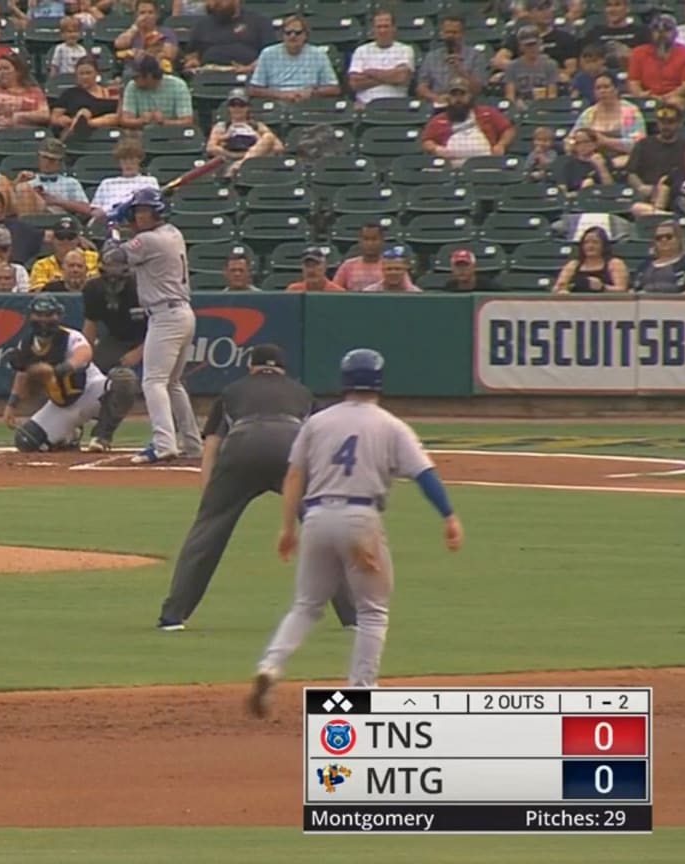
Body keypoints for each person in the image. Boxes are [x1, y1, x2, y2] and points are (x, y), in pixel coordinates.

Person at [247, 348, 463, 715]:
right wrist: (449, 515)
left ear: (344, 381)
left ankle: (270, 665)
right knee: (372, 611)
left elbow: (294, 475)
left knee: (306, 606)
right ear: (379, 383)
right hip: (360, 519)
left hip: (316, 517)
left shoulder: (317, 422)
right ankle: (361, 691)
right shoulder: (390, 425)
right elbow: (425, 475)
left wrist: (286, 527)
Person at [158, 344, 357, 632]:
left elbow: (212, 444)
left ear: (251, 366)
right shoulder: (302, 392)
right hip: (289, 449)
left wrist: (209, 498)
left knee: (207, 534)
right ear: (282, 369)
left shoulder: (232, 391)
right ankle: (353, 617)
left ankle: (173, 616)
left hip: (242, 448)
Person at [101, 187, 202, 464]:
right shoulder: (172, 232)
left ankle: (163, 444)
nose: (140, 216)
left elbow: (111, 257)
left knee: (154, 381)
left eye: (145, 211)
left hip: (166, 316)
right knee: (172, 383)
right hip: (180, 313)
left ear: (157, 213)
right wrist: (124, 220)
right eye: (138, 212)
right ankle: (192, 443)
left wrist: (113, 227)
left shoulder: (149, 240)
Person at [1, 294, 114, 452]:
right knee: (27, 440)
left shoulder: (70, 336)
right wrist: (11, 406)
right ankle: (70, 435)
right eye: (39, 315)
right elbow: (22, 374)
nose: (43, 320)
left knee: (123, 382)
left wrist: (60, 370)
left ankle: (102, 436)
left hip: (90, 392)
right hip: (62, 404)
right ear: (31, 316)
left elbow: (84, 353)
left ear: (58, 316)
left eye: (48, 315)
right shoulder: (26, 344)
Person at [78, 257, 145, 451]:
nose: (114, 283)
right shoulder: (93, 289)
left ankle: (176, 432)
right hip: (117, 337)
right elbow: (90, 325)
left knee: (165, 383)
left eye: (118, 277)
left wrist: (139, 352)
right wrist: (85, 357)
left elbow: (161, 324)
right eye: (108, 277)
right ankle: (83, 430)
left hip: (152, 335)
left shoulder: (143, 287)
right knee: (87, 375)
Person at [418, 78, 515, 167]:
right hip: (450, 165)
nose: (458, 99)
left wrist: (501, 145)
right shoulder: (439, 120)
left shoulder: (487, 113)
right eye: (454, 95)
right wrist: (436, 148)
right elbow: (426, 141)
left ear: (469, 96)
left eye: (462, 94)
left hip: (486, 162)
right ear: (448, 98)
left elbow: (508, 129)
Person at [247, 16, 340, 103]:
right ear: (282, 35)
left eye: (297, 33)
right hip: (276, 102)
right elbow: (253, 89)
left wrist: (312, 92)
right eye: (288, 33)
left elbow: (334, 88)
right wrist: (280, 94)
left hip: (309, 102)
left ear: (305, 35)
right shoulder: (268, 53)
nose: (292, 36)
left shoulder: (318, 54)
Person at [571, 75, 644, 169]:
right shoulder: (589, 114)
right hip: (591, 160)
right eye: (598, 88)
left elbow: (638, 144)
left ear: (616, 89)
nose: (602, 91)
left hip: (623, 158)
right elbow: (572, 138)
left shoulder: (629, 112)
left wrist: (606, 141)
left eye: (606, 87)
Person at [415, 14, 488, 108]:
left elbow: (478, 89)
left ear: (462, 34)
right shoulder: (431, 57)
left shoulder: (476, 56)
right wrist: (436, 98)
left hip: (466, 105)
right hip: (438, 104)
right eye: (447, 32)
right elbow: (421, 88)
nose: (450, 36)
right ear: (441, 34)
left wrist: (460, 70)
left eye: (455, 32)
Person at [3, 138, 89, 216]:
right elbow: (4, 209)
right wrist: (16, 184)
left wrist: (57, 201)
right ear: (38, 157)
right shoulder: (28, 181)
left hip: (59, 221)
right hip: (31, 219)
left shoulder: (70, 183)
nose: (47, 162)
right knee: (5, 182)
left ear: (60, 162)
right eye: (44, 158)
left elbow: (87, 209)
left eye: (52, 159)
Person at [183, 0, 274, 72]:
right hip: (209, 74)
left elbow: (271, 54)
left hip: (248, 73)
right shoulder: (202, 24)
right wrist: (193, 61)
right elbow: (192, 53)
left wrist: (250, 68)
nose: (216, 3)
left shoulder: (259, 21)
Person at [206, 89, 283, 175]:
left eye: (241, 105)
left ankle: (239, 164)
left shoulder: (257, 126)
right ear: (228, 107)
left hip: (253, 160)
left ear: (248, 107)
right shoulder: (221, 126)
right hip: (229, 158)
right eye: (233, 105)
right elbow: (210, 148)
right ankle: (240, 164)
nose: (237, 108)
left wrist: (256, 137)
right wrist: (226, 137)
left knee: (268, 136)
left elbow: (278, 147)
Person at [627, 15, 685, 107]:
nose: (661, 34)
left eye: (667, 29)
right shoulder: (638, 52)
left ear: (676, 33)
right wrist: (641, 94)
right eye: (656, 29)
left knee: (674, 103)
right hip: (647, 96)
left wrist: (665, 97)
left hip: (676, 97)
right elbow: (633, 81)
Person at [349, 12, 415, 105]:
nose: (382, 31)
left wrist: (371, 72)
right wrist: (390, 76)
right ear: (373, 29)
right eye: (379, 27)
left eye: (386, 26)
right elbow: (355, 83)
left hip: (396, 104)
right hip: (366, 104)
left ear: (394, 28)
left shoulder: (405, 49)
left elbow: (401, 77)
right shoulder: (361, 50)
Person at [624, 103, 685, 199]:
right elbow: (631, 173)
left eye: (670, 122)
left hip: (677, 194)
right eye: (662, 122)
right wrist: (641, 187)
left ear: (680, 123)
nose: (665, 126)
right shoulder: (644, 144)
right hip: (647, 193)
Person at [641, 138, 685, 224]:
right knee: (638, 208)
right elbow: (660, 204)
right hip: (673, 217)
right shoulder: (675, 175)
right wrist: (659, 210)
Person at [89, 136, 159, 219]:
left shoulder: (149, 181)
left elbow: (155, 207)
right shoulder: (107, 183)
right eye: (124, 159)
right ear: (119, 161)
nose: (128, 163)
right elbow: (95, 210)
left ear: (139, 160)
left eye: (132, 159)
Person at [0, 54, 51, 135]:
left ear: (18, 72)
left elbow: (45, 115)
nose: (1, 73)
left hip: (29, 133)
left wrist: (19, 116)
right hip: (0, 133)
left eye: (6, 68)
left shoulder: (35, 91)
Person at [633, 219, 685, 293]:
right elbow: (634, 290)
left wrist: (675, 300)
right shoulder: (645, 265)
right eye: (658, 238)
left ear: (678, 239)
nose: (664, 240)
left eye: (668, 237)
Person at [50, 56, 120, 136]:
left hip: (109, 132)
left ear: (96, 73)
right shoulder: (70, 93)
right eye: (81, 74)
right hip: (78, 133)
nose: (85, 77)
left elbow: (120, 113)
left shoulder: (109, 92)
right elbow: (54, 118)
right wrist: (63, 120)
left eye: (88, 73)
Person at [119, 55, 195, 129]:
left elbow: (187, 121)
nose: (133, 79)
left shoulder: (178, 86)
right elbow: (125, 120)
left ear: (149, 75)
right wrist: (142, 120)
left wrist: (163, 122)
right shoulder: (132, 86)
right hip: (141, 132)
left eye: (136, 77)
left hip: (172, 132)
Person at [28, 216, 99, 288]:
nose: (65, 241)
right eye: (61, 237)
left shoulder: (95, 258)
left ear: (78, 240)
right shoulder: (41, 265)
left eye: (70, 237)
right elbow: (37, 291)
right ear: (52, 239)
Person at [553, 226, 629, 293]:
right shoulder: (573, 265)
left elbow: (622, 290)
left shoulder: (615, 263)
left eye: (595, 242)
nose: (590, 246)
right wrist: (563, 290)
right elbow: (558, 287)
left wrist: (602, 287)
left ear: (603, 245)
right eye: (586, 242)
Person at [114, 0, 179, 78]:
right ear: (136, 16)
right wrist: (135, 27)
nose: (146, 16)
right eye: (142, 13)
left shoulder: (166, 32)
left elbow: (170, 54)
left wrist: (143, 53)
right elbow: (118, 44)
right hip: (134, 71)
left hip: (159, 70)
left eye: (150, 12)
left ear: (157, 15)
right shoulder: (133, 33)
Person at [505, 25, 561, 110]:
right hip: (520, 106)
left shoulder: (550, 64)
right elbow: (510, 96)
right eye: (528, 45)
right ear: (521, 46)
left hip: (543, 106)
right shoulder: (512, 66)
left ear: (540, 43)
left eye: (534, 44)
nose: (532, 48)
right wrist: (515, 106)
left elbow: (552, 95)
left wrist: (545, 108)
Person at [553, 128, 614, 192]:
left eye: (585, 142)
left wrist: (601, 167)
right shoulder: (564, 161)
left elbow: (610, 189)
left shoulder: (604, 159)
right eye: (577, 143)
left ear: (594, 143)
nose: (581, 146)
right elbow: (561, 188)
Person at [331, 223, 387, 292]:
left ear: (382, 241)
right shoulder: (348, 265)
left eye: (374, 239)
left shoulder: (390, 266)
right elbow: (334, 291)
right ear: (359, 241)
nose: (370, 243)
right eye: (366, 239)